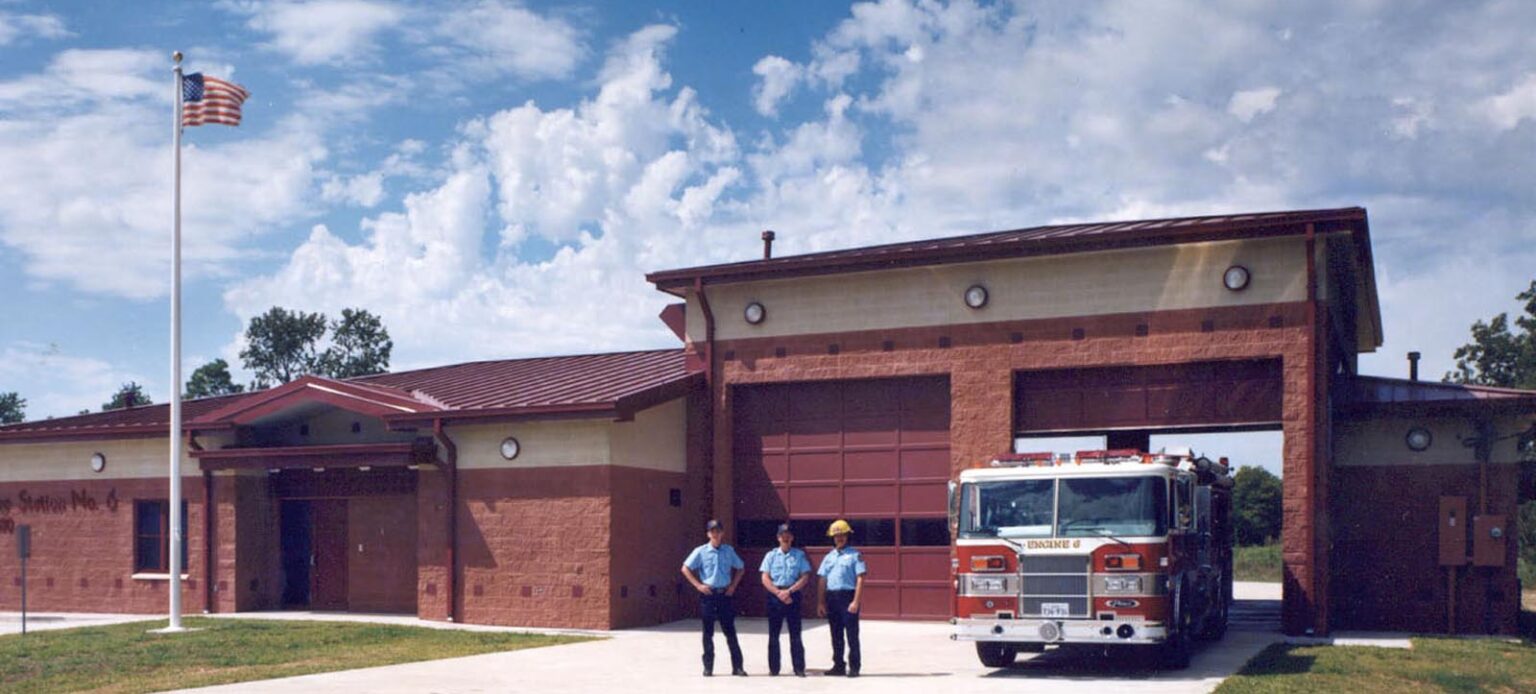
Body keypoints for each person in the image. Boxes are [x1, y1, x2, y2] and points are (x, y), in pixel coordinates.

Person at [681, 519, 747, 677]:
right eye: (712, 531)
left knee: (730, 631)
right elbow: (685, 568)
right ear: (708, 534)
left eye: (718, 531)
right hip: (708, 595)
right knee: (708, 633)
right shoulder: (701, 551)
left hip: (725, 595)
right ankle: (708, 667)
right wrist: (698, 585)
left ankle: (737, 667)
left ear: (722, 533)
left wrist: (732, 586)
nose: (715, 534)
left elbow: (741, 568)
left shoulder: (728, 551)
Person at [758, 523, 811, 677]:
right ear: (778, 537)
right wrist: (778, 592)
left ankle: (799, 668)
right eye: (782, 535)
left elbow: (805, 576)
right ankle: (774, 669)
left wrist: (789, 591)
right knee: (774, 634)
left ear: (792, 538)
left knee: (795, 634)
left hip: (792, 595)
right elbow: (765, 577)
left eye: (788, 535)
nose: (785, 538)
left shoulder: (799, 555)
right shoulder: (770, 555)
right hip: (775, 596)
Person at [817, 519, 866, 678]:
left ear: (847, 536)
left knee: (852, 634)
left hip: (848, 597)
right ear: (832, 537)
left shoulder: (855, 555)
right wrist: (821, 602)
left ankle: (854, 667)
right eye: (836, 535)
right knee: (836, 634)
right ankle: (838, 665)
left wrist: (856, 601)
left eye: (842, 535)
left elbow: (860, 578)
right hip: (832, 598)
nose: (840, 538)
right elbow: (822, 580)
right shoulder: (828, 557)